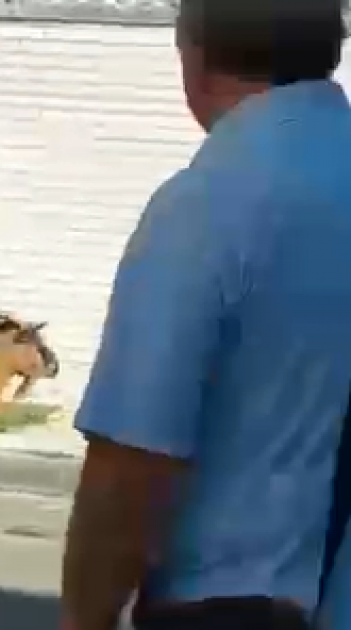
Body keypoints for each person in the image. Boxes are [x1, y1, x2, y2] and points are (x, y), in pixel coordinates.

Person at [58, 0, 351, 629]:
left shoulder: (210, 206)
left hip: (231, 608)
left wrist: (85, 620)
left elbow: (130, 466)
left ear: (193, 52)